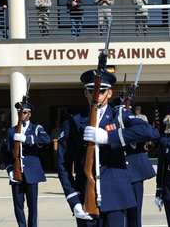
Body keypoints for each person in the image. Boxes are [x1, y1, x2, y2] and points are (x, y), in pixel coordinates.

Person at [56, 69, 157, 226]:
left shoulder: (119, 117)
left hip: (116, 197)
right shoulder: (73, 122)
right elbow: (63, 164)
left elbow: (147, 131)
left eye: (101, 91)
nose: (96, 95)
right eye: (92, 90)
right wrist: (73, 199)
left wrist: (109, 137)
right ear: (86, 93)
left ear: (109, 93)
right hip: (85, 198)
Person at [3, 101, 52, 227]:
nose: (21, 114)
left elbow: (47, 140)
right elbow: (5, 153)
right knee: (18, 206)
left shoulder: (36, 129)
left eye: (24, 112)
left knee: (32, 206)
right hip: (17, 174)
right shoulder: (11, 131)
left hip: (32, 173)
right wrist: (10, 170)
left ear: (29, 114)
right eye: (19, 112)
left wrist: (28, 139)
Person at [119, 98, 161, 227]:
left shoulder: (137, 123)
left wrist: (132, 132)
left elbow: (154, 133)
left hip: (136, 171)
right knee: (118, 213)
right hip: (118, 171)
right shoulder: (111, 124)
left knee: (135, 213)